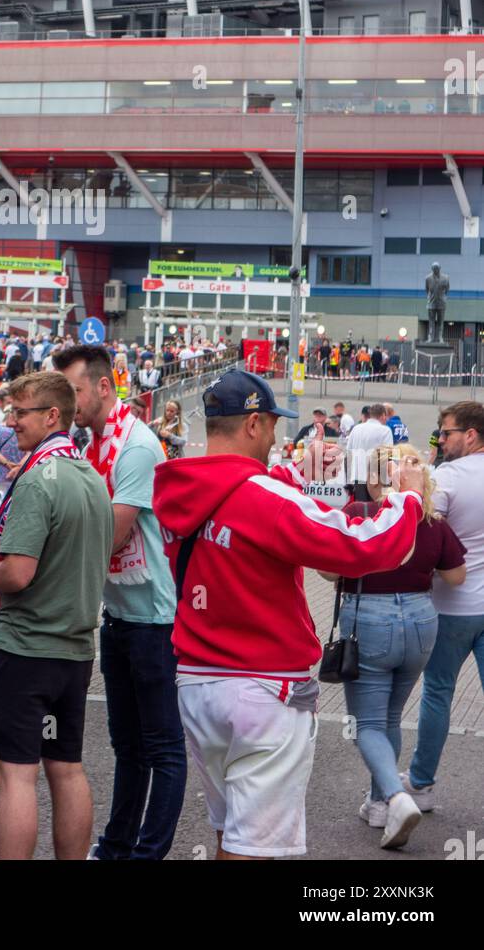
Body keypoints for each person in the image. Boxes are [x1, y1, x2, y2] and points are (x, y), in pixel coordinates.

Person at [153, 368, 424, 861]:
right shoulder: (262, 497)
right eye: (273, 426)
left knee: (229, 832)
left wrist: (299, 474)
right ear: (254, 424)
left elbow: (240, 499)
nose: (276, 436)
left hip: (197, 680)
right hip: (263, 687)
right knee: (254, 847)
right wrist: (407, 496)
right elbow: (361, 547)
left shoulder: (182, 487)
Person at [0, 371, 113, 860]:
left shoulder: (38, 478)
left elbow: (18, 575)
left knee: (16, 775)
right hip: (74, 651)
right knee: (66, 767)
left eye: (20, 413)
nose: (11, 423)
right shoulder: (91, 477)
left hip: (25, 647)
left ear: (53, 415)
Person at [54, 344, 186, 861]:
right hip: (118, 615)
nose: (68, 403)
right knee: (126, 747)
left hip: (154, 619)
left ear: (104, 387)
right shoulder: (93, 442)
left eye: (75, 391)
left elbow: (111, 532)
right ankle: (115, 847)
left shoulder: (134, 446)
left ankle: (146, 854)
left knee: (162, 748)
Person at [322, 444, 466, 849]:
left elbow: (328, 569)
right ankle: (379, 800)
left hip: (368, 618)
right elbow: (456, 576)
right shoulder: (432, 523)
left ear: (373, 478)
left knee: (366, 723)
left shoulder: (358, 514)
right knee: (390, 716)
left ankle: (395, 798)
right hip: (422, 620)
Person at [406, 401, 484, 810]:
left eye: (446, 433)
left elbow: (428, 534)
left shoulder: (447, 476)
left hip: (452, 605)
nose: (440, 440)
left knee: (438, 693)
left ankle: (420, 785)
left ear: (470, 435)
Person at [346, 403, 394, 497]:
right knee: (376, 509)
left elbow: (348, 453)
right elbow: (388, 456)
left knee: (361, 509)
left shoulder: (356, 428)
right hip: (377, 478)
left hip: (358, 476)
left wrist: (348, 478)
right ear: (383, 415)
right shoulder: (385, 430)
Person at [0, 409, 23, 493]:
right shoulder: (25, 430)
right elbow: (29, 452)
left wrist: (6, 463)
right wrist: (18, 466)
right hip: (18, 473)